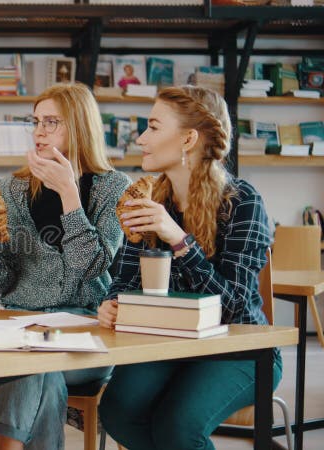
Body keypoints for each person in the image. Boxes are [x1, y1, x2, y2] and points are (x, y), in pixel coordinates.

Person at [97, 85, 282, 450]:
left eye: (153, 126)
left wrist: (178, 238)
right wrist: (112, 303)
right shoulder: (146, 198)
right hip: (169, 345)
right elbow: (123, 282)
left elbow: (234, 306)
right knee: (118, 410)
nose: (141, 138)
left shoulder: (243, 202)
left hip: (240, 351)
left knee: (178, 425)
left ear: (188, 139)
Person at [0, 83, 130, 450]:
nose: (39, 131)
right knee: (42, 367)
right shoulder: (13, 188)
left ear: (79, 127)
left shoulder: (113, 188)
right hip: (20, 326)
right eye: (36, 121)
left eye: (51, 122)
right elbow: (4, 280)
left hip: (88, 332)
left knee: (38, 363)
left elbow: (95, 266)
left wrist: (69, 194)